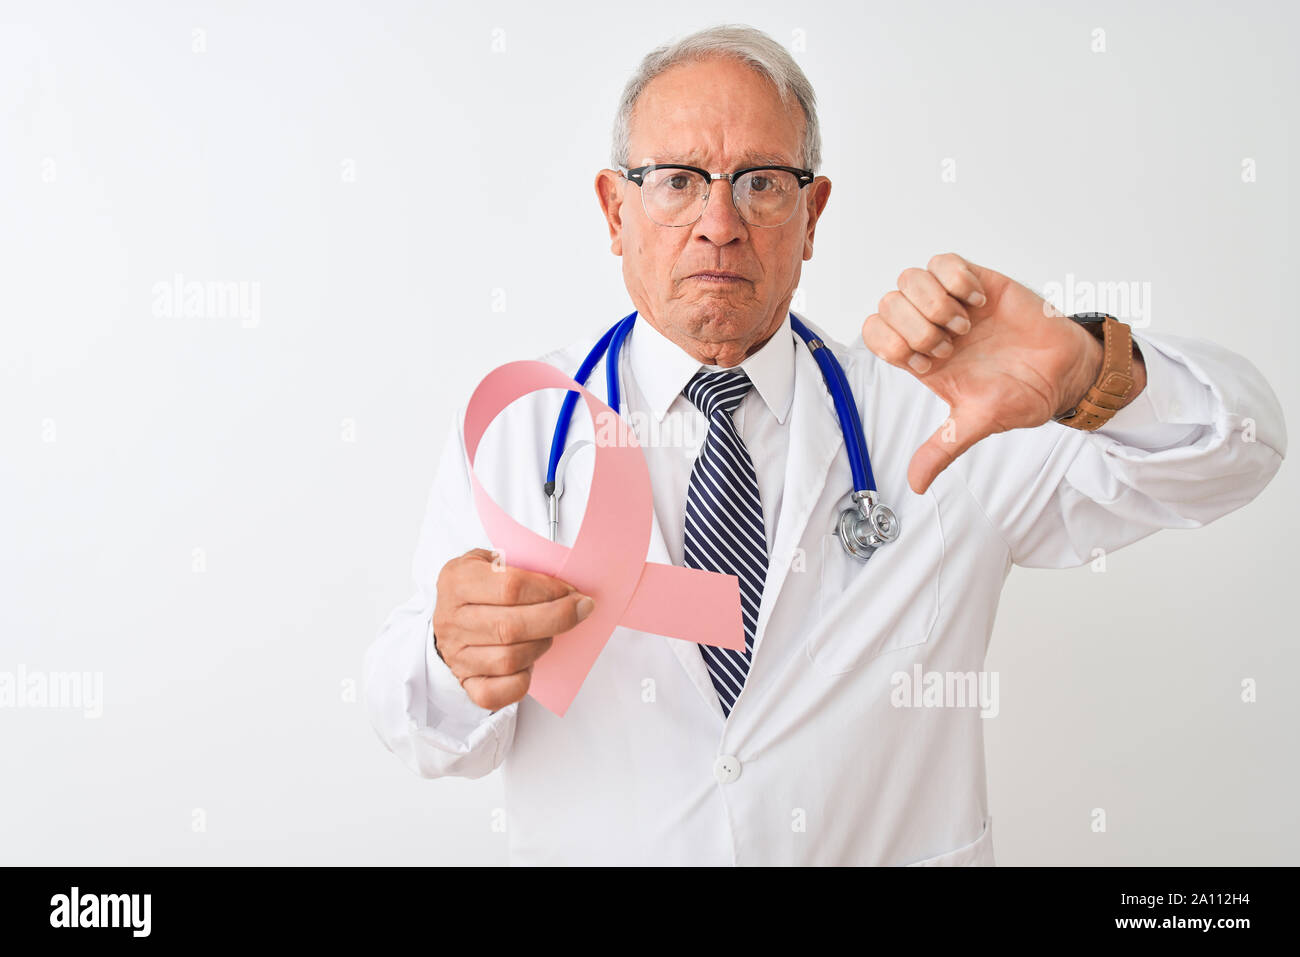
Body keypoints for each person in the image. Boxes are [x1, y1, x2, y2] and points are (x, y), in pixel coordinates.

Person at [363, 24, 1286, 865]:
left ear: (814, 215)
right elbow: (426, 734)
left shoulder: (938, 415)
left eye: (762, 182)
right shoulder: (526, 430)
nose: (718, 223)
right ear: (615, 211)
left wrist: (1088, 369)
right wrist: (450, 657)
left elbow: (1238, 450)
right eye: (677, 180)